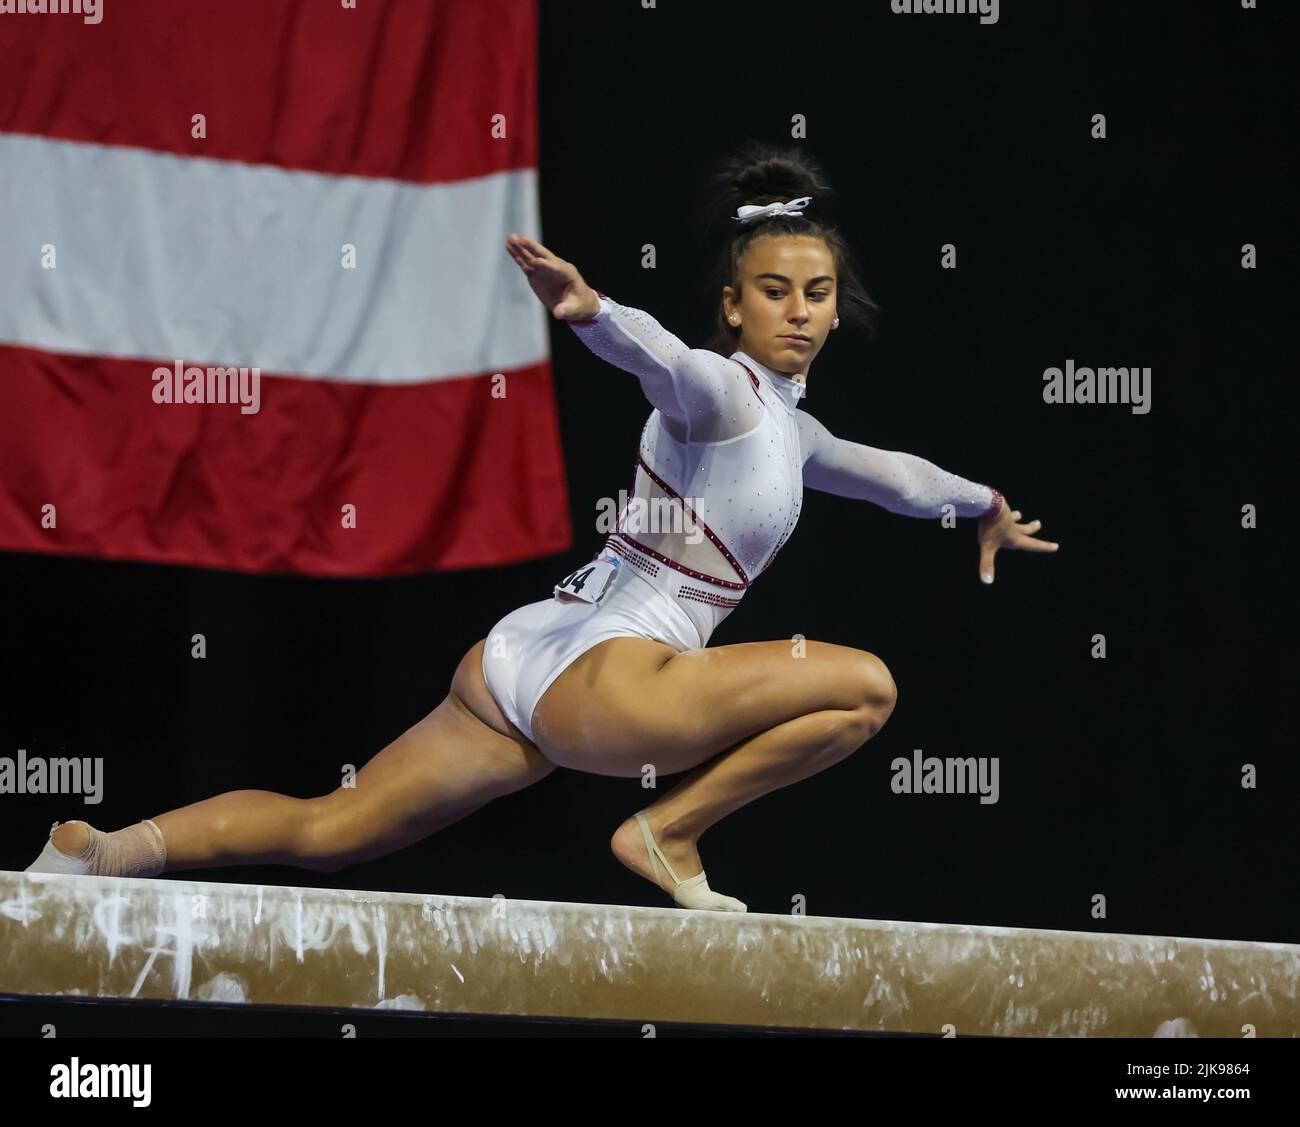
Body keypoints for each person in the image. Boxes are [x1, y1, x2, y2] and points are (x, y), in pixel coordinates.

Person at [26, 143, 1057, 913]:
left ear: (837, 311)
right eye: (773, 292)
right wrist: (594, 310)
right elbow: (666, 361)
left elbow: (894, 477)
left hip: (521, 655)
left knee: (328, 828)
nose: (797, 310)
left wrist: (984, 505)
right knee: (866, 686)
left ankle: (102, 848)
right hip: (611, 672)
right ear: (734, 306)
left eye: (816, 294)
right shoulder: (718, 398)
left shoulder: (795, 432)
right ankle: (667, 828)